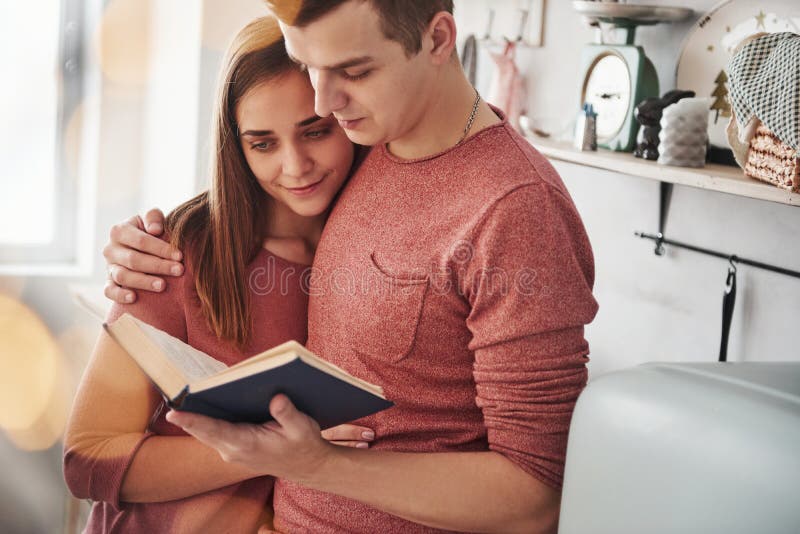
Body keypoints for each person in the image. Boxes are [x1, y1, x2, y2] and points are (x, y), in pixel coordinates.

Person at [103, 1, 599, 532]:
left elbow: (535, 496)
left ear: (437, 39)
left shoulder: (517, 207)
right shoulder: (368, 143)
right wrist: (151, 239)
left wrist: (319, 465)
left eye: (354, 71)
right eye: (310, 66)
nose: (325, 101)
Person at [63, 15, 375, 533]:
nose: (296, 166)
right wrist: (271, 452)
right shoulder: (174, 255)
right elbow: (89, 459)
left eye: (314, 131)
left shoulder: (374, 251)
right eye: (263, 143)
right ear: (236, 146)